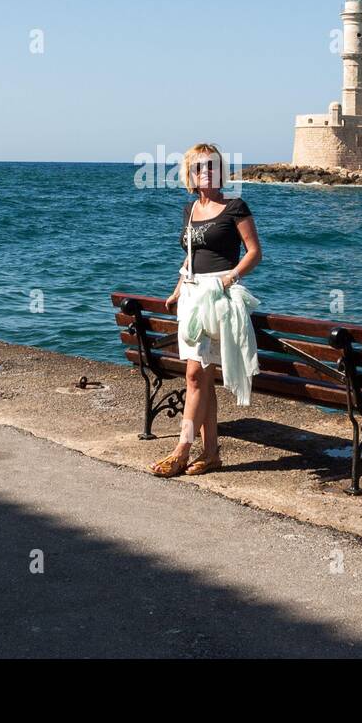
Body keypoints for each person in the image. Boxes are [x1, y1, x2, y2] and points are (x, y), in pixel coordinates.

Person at [149, 143, 262, 478]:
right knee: (203, 380)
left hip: (219, 300)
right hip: (192, 298)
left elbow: (254, 252)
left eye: (212, 166)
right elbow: (191, 256)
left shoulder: (235, 207)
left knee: (195, 376)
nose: (206, 173)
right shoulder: (191, 210)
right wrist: (178, 287)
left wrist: (229, 278)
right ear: (191, 175)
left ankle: (182, 449)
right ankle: (211, 453)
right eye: (199, 168)